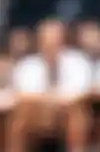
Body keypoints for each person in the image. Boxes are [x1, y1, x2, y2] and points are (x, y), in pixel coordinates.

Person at [7, 19, 92, 152]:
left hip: (66, 112)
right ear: (39, 43)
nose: (51, 46)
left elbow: (81, 92)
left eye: (56, 41)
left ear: (63, 41)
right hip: (36, 113)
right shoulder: (27, 65)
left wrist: (52, 100)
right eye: (47, 41)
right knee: (21, 114)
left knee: (77, 112)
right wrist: (50, 100)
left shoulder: (78, 61)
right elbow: (22, 95)